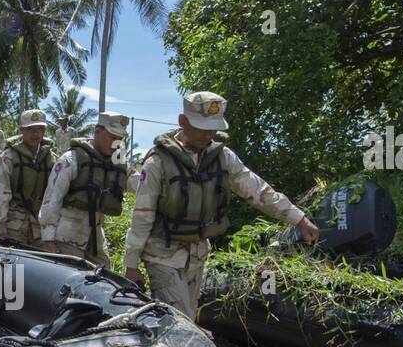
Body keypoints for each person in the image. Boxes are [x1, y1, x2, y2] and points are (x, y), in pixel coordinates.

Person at [122, 91, 319, 320]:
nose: (208, 134)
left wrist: (299, 219)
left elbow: (259, 191)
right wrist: (131, 265)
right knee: (180, 321)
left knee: (188, 319)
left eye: (213, 128)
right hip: (162, 256)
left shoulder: (223, 158)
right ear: (182, 121)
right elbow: (142, 215)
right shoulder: (157, 162)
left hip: (197, 256)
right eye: (201, 127)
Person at [38, 111, 130, 266]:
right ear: (97, 131)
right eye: (112, 137)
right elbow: (52, 199)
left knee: (105, 276)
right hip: (67, 237)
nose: (116, 143)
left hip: (96, 240)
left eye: (120, 139)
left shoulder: (115, 162)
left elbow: (133, 180)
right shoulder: (71, 159)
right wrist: (48, 238)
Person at [0, 108, 53, 246]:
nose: (35, 133)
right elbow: (0, 194)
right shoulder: (8, 157)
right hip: (14, 223)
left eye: (40, 129)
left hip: (40, 224)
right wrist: (0, 229)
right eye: (30, 129)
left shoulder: (51, 158)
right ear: (21, 131)